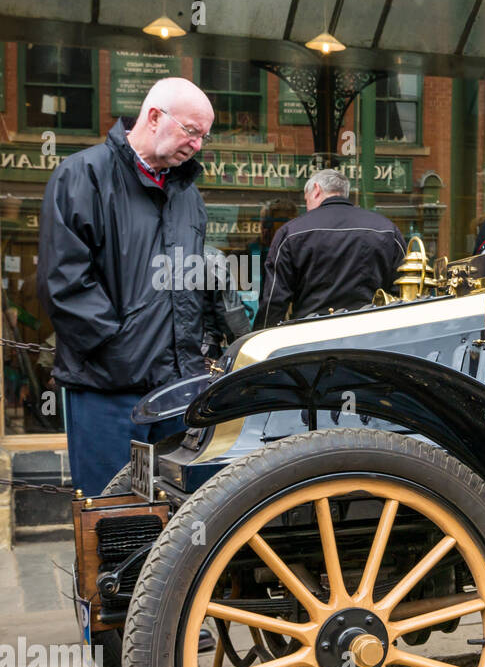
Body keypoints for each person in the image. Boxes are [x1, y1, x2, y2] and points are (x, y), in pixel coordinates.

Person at [38, 76, 214, 495]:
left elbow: (193, 282)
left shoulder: (189, 195)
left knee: (174, 517)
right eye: (192, 131)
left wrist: (195, 352)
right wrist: (124, 352)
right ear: (154, 117)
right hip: (107, 394)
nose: (198, 145)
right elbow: (64, 284)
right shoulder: (81, 176)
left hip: (176, 393)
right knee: (114, 514)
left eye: (204, 136)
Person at [254, 169, 404, 329]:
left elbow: (274, 301)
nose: (307, 207)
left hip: (310, 336)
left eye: (306, 200)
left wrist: (260, 338)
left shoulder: (291, 232)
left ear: (317, 190)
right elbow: (401, 290)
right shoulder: (387, 230)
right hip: (370, 335)